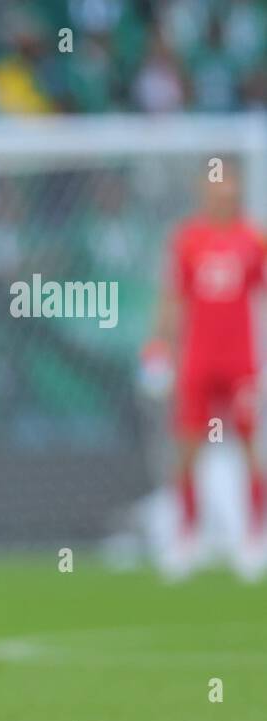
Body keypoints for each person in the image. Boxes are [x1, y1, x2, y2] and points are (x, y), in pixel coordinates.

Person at [152, 167, 266, 578]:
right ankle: (187, 536)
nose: (224, 197)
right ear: (205, 192)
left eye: (229, 190)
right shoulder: (188, 239)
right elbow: (173, 297)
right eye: (217, 190)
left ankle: (255, 535)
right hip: (198, 359)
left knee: (250, 442)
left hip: (241, 360)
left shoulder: (254, 239)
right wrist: (159, 345)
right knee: (188, 445)